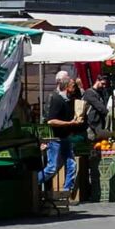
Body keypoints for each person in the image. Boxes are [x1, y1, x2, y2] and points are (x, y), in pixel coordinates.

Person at [43, 71, 85, 200]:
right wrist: (69, 123)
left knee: (71, 164)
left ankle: (66, 191)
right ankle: (33, 184)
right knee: (51, 168)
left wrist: (76, 120)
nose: (74, 88)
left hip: (65, 137)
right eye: (73, 86)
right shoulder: (56, 99)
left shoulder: (69, 100)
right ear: (67, 87)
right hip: (55, 139)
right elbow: (51, 121)